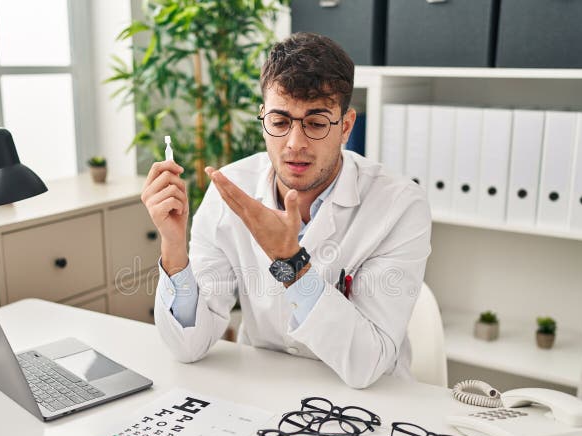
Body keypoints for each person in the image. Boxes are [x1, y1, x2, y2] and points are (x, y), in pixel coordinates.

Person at [141, 32, 431, 389]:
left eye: (316, 122)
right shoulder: (231, 191)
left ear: (346, 126)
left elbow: (366, 364)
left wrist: (290, 262)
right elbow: (187, 345)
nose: (294, 144)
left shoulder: (399, 205)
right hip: (264, 389)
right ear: (263, 118)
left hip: (368, 402)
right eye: (280, 122)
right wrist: (173, 247)